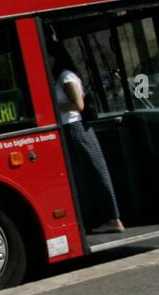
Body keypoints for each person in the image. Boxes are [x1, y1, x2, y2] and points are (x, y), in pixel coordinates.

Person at [49, 42, 124, 233]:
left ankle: (112, 218)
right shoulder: (58, 77)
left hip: (76, 128)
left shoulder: (66, 76)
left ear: (54, 57)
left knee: (95, 171)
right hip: (69, 129)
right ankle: (97, 218)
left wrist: (51, 106)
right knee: (82, 175)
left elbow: (77, 104)